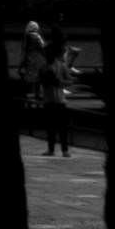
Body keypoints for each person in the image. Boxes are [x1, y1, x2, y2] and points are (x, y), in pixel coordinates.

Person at [39, 29, 76, 157]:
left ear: (53, 54)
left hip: (59, 100)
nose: (47, 54)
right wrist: (44, 80)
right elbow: (39, 80)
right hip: (48, 100)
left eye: (49, 52)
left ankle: (65, 150)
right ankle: (51, 150)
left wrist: (59, 82)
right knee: (50, 127)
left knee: (62, 127)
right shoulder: (42, 67)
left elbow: (70, 81)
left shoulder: (61, 66)